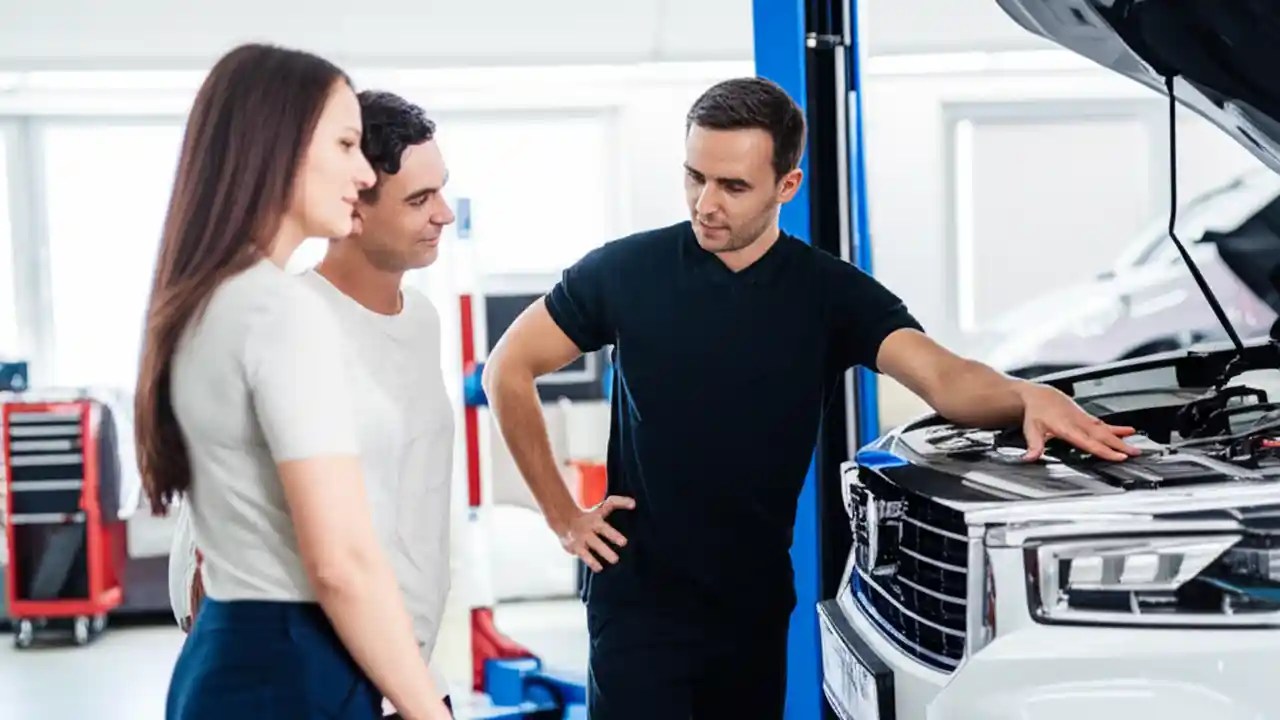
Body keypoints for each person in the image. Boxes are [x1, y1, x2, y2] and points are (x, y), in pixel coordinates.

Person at [480, 77, 1140, 719]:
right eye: (695, 176)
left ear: (787, 186)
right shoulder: (624, 272)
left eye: (733, 186)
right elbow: (508, 367)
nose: (706, 202)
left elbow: (944, 378)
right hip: (637, 602)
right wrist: (562, 514)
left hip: (752, 606)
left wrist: (1027, 395)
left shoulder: (830, 296)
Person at [134, 44, 451, 720]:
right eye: (344, 145)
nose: (361, 172)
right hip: (293, 661)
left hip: (233, 655)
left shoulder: (212, 297)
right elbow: (341, 564)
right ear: (278, 150)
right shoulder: (282, 311)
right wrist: (431, 710)